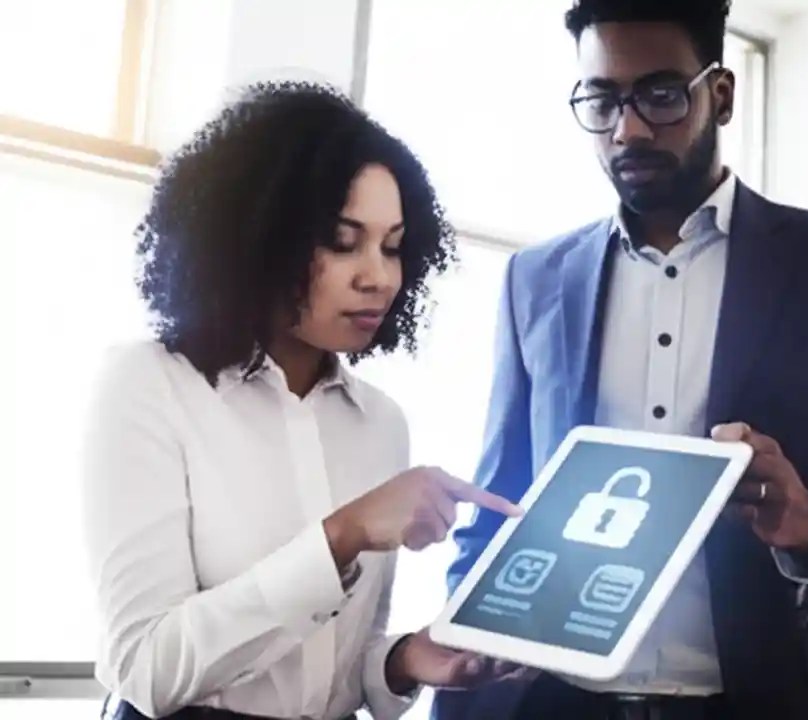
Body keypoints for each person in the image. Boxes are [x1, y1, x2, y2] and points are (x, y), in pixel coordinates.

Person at [435, 1, 808, 718]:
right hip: (555, 705)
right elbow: (497, 508)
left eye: (661, 96)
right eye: (601, 100)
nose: (627, 129)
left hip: (765, 702)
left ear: (720, 94)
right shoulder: (535, 280)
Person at [83, 82, 523, 720]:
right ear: (258, 236)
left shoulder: (380, 423)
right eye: (343, 242)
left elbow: (334, 662)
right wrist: (343, 535)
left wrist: (401, 660)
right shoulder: (150, 386)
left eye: (393, 246)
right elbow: (146, 668)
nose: (379, 276)